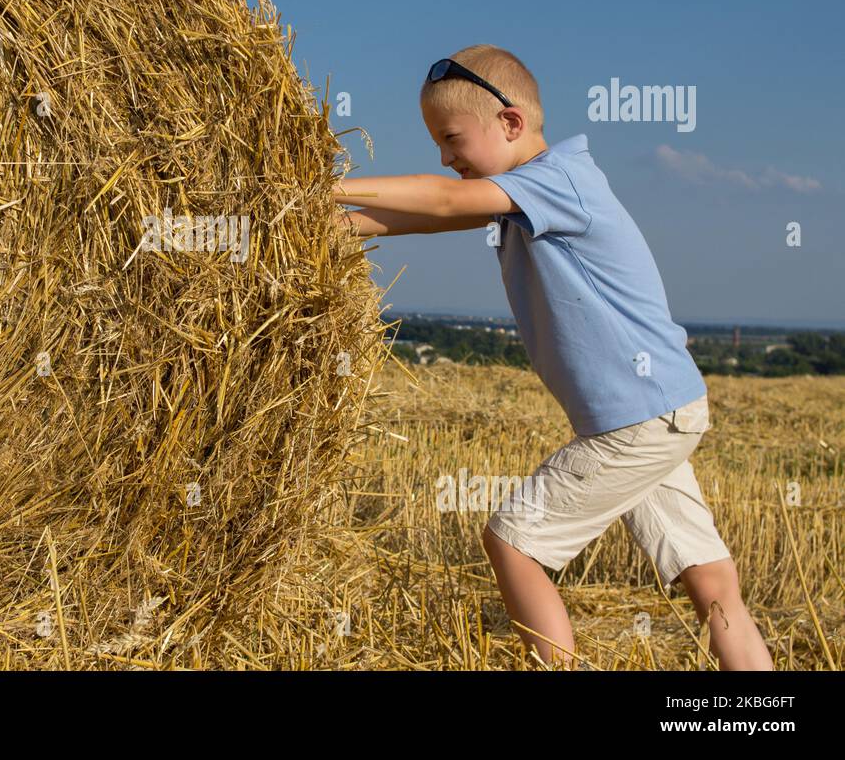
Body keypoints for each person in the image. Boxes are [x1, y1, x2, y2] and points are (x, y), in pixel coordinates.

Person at [332, 44, 774, 670]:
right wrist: (324, 223)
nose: (444, 156)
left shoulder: (561, 181)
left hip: (639, 420)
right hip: (663, 410)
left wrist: (316, 185)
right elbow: (425, 219)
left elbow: (443, 201)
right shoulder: (527, 197)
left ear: (510, 123)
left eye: (452, 138)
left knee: (512, 542)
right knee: (713, 585)